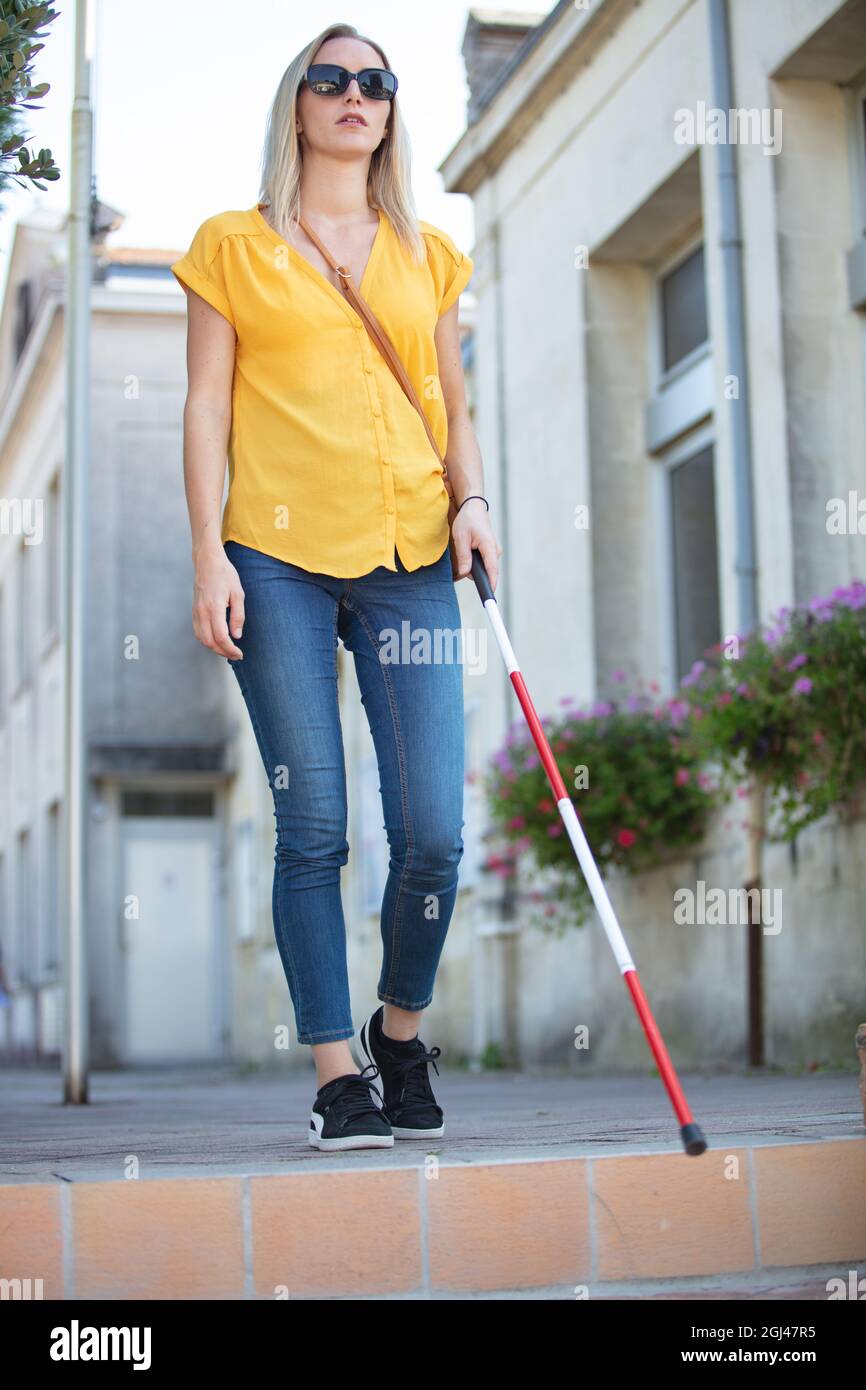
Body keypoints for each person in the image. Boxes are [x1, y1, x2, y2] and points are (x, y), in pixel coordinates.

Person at [171, 22, 501, 1152]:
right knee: (311, 821)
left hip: (412, 557)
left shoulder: (428, 252)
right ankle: (335, 1076)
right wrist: (209, 552)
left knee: (431, 832)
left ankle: (397, 1034)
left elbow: (446, 398)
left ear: (390, 110)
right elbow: (205, 406)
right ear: (298, 107)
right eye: (331, 80)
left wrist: (474, 500)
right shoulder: (232, 246)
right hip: (274, 559)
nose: (355, 96)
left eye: (375, 82)